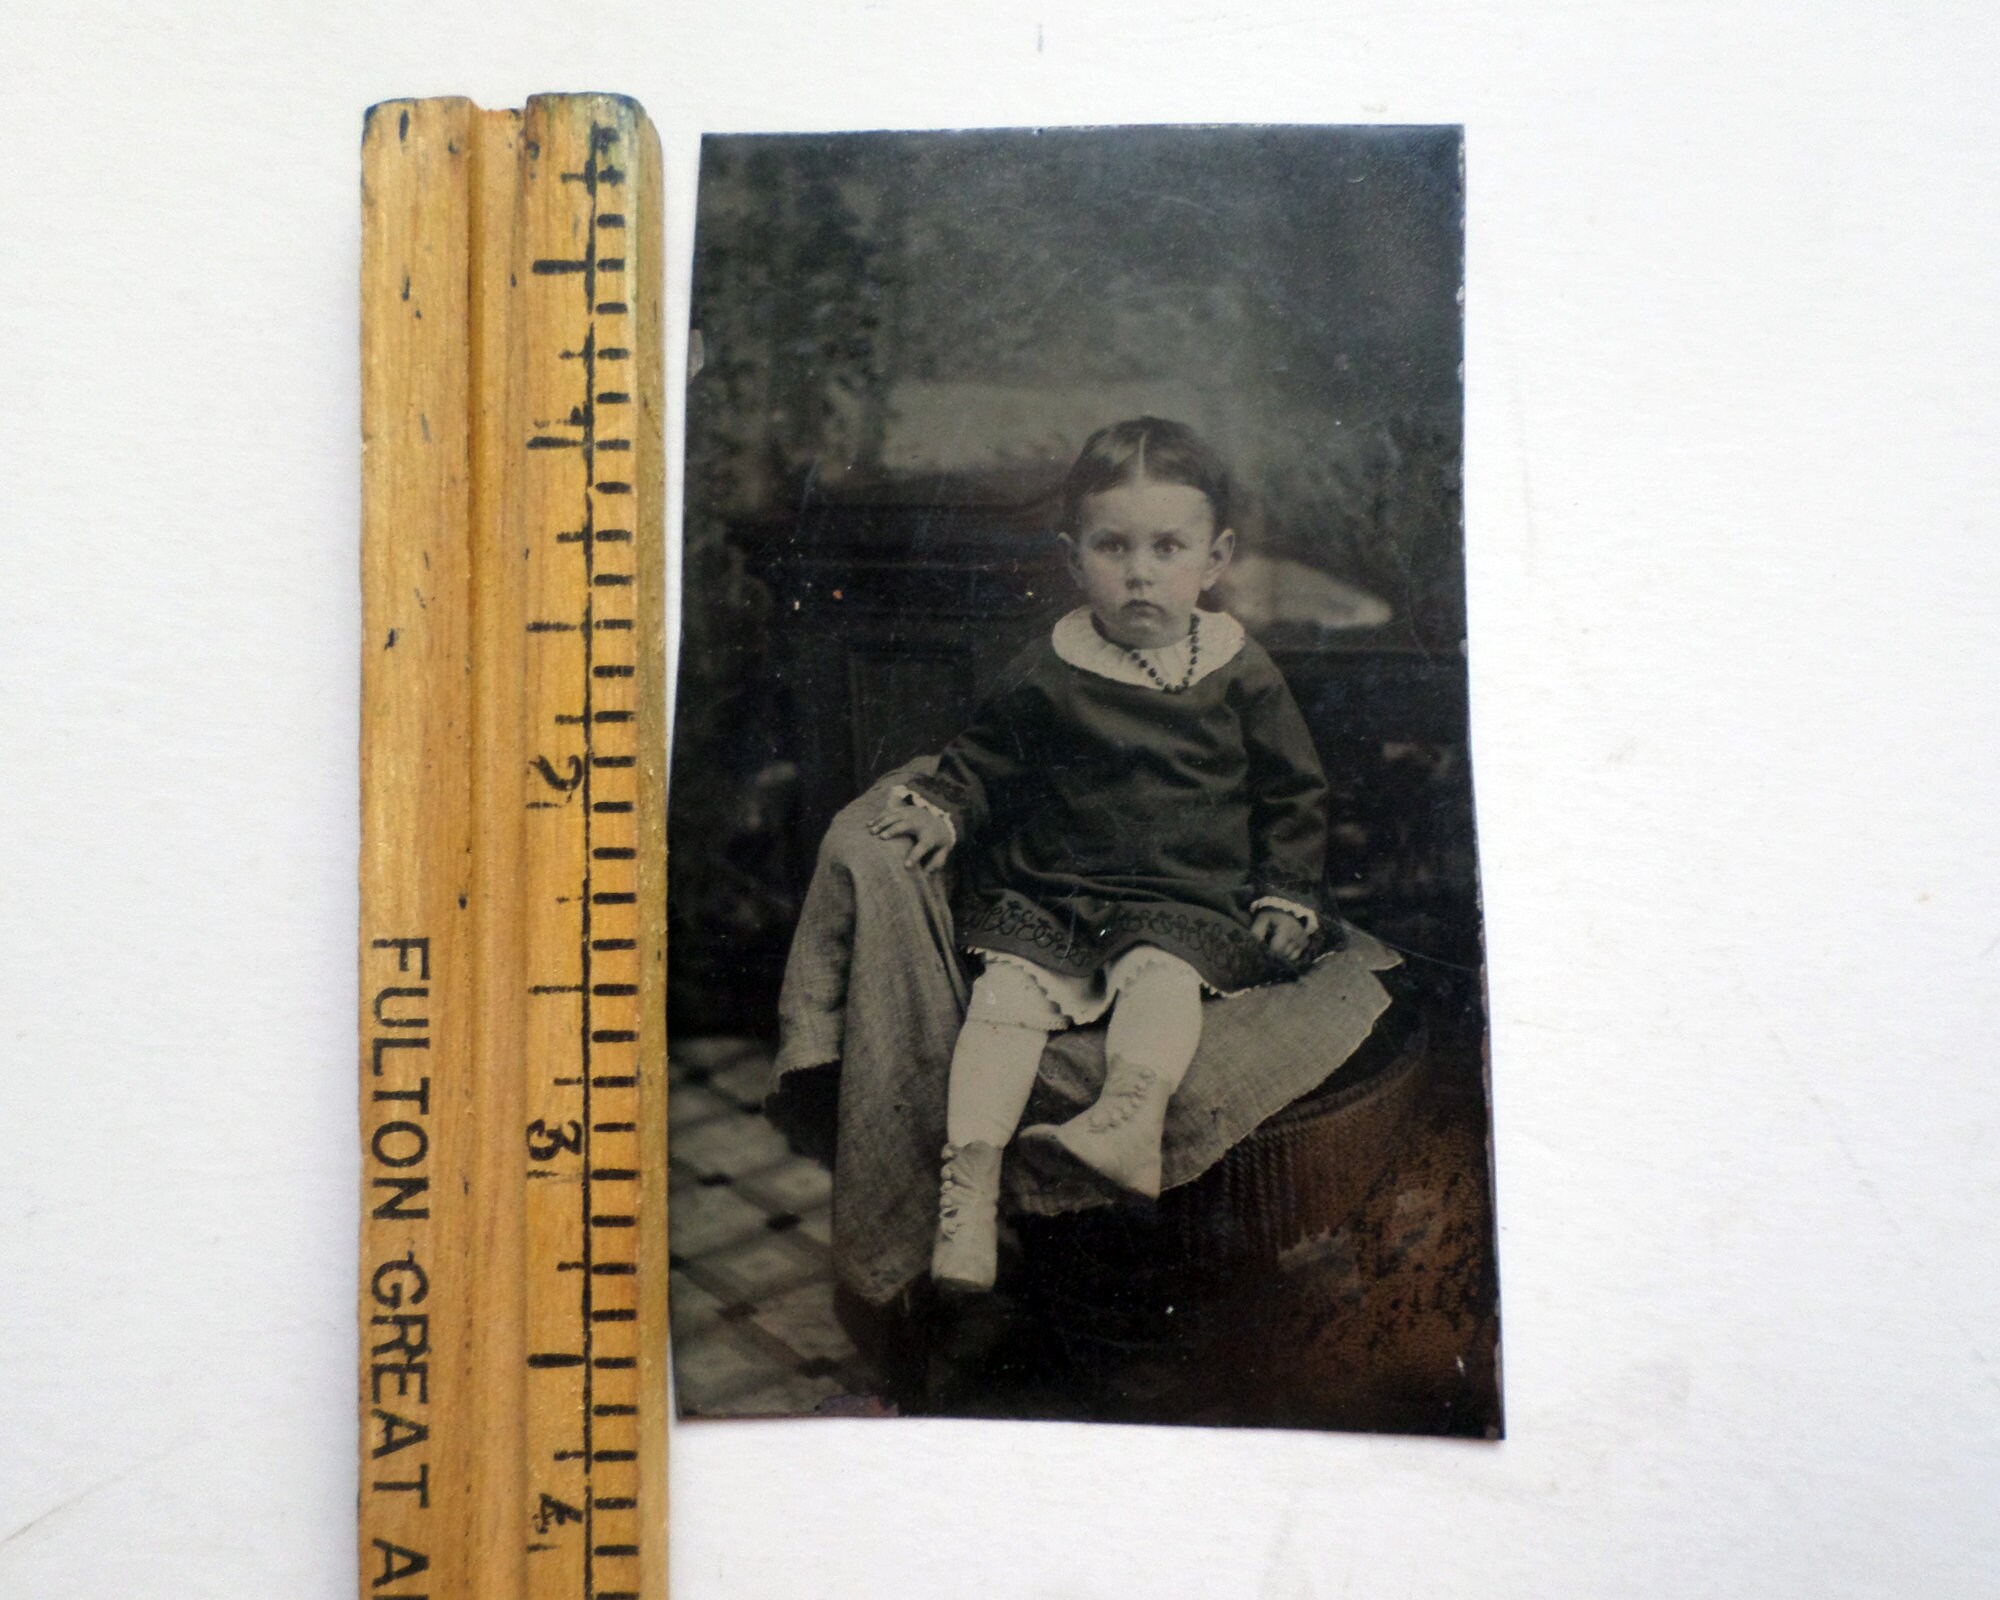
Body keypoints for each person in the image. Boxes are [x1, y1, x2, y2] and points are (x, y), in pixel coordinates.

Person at [866, 417, 1331, 1293]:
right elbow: (983, 755)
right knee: (1003, 999)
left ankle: (1128, 1120)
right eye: (1113, 546)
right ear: (1073, 556)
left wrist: (1287, 891)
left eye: (1168, 546)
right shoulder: (1054, 663)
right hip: (1060, 890)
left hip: (1186, 897)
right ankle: (967, 1190)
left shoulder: (1240, 667)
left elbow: (1292, 791)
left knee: (1159, 974)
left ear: (1216, 556)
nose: (1141, 572)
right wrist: (942, 808)